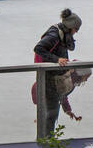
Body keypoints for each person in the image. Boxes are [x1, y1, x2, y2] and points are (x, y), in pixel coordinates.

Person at [33, 9, 83, 138]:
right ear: (71, 26)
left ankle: (47, 137)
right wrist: (57, 60)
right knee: (52, 111)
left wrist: (68, 110)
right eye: (76, 29)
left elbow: (63, 96)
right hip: (48, 77)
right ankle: (46, 139)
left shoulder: (63, 35)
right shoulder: (54, 35)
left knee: (53, 110)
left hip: (55, 77)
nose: (76, 32)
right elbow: (38, 48)